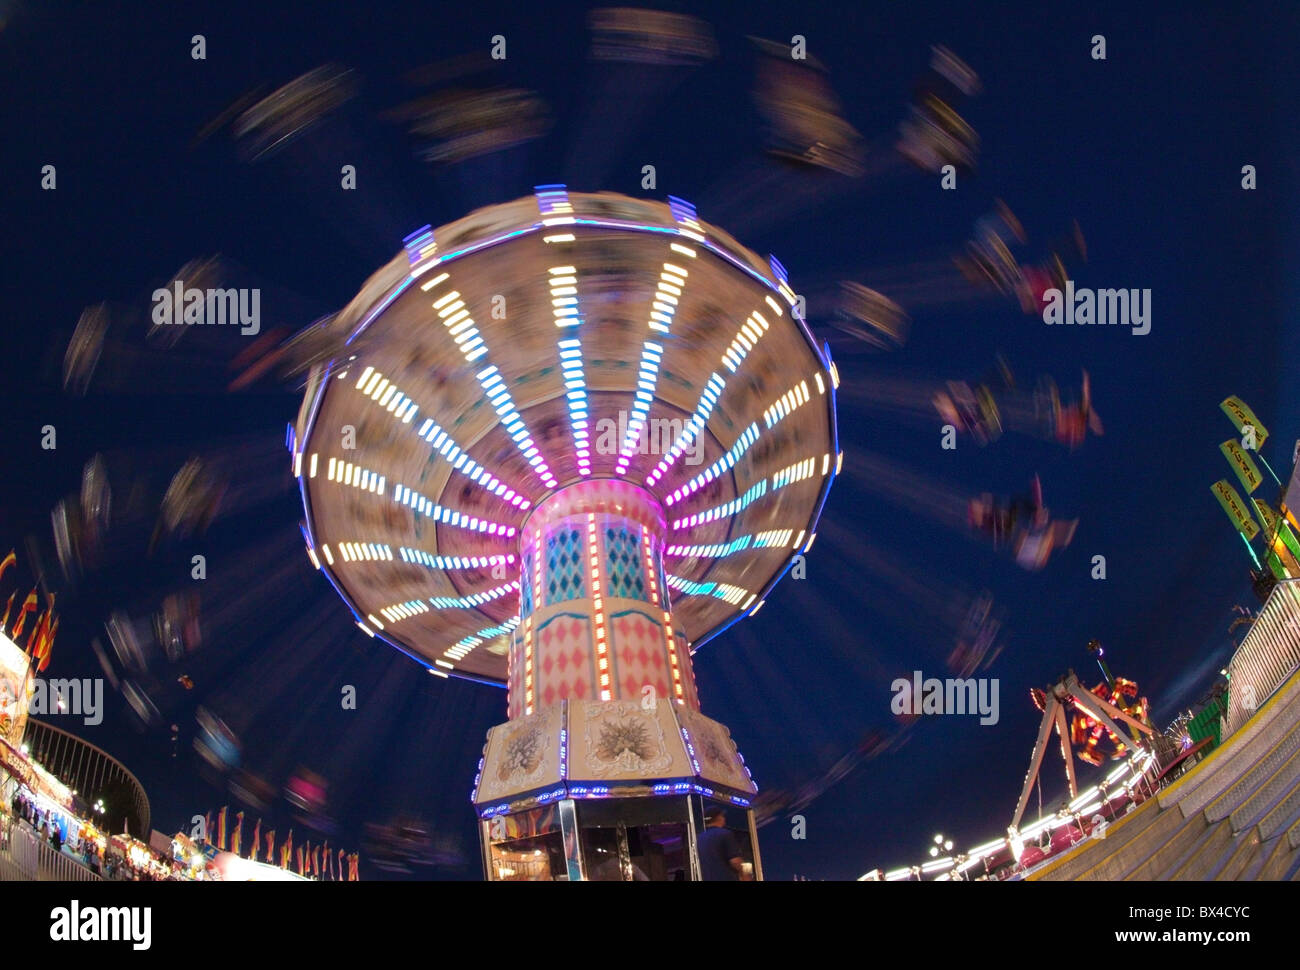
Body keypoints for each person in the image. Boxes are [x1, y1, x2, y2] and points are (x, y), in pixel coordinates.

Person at [697, 810, 748, 881]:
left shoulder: (699, 838)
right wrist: (745, 874)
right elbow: (735, 861)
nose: (724, 818)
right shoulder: (725, 834)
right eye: (722, 816)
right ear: (719, 818)